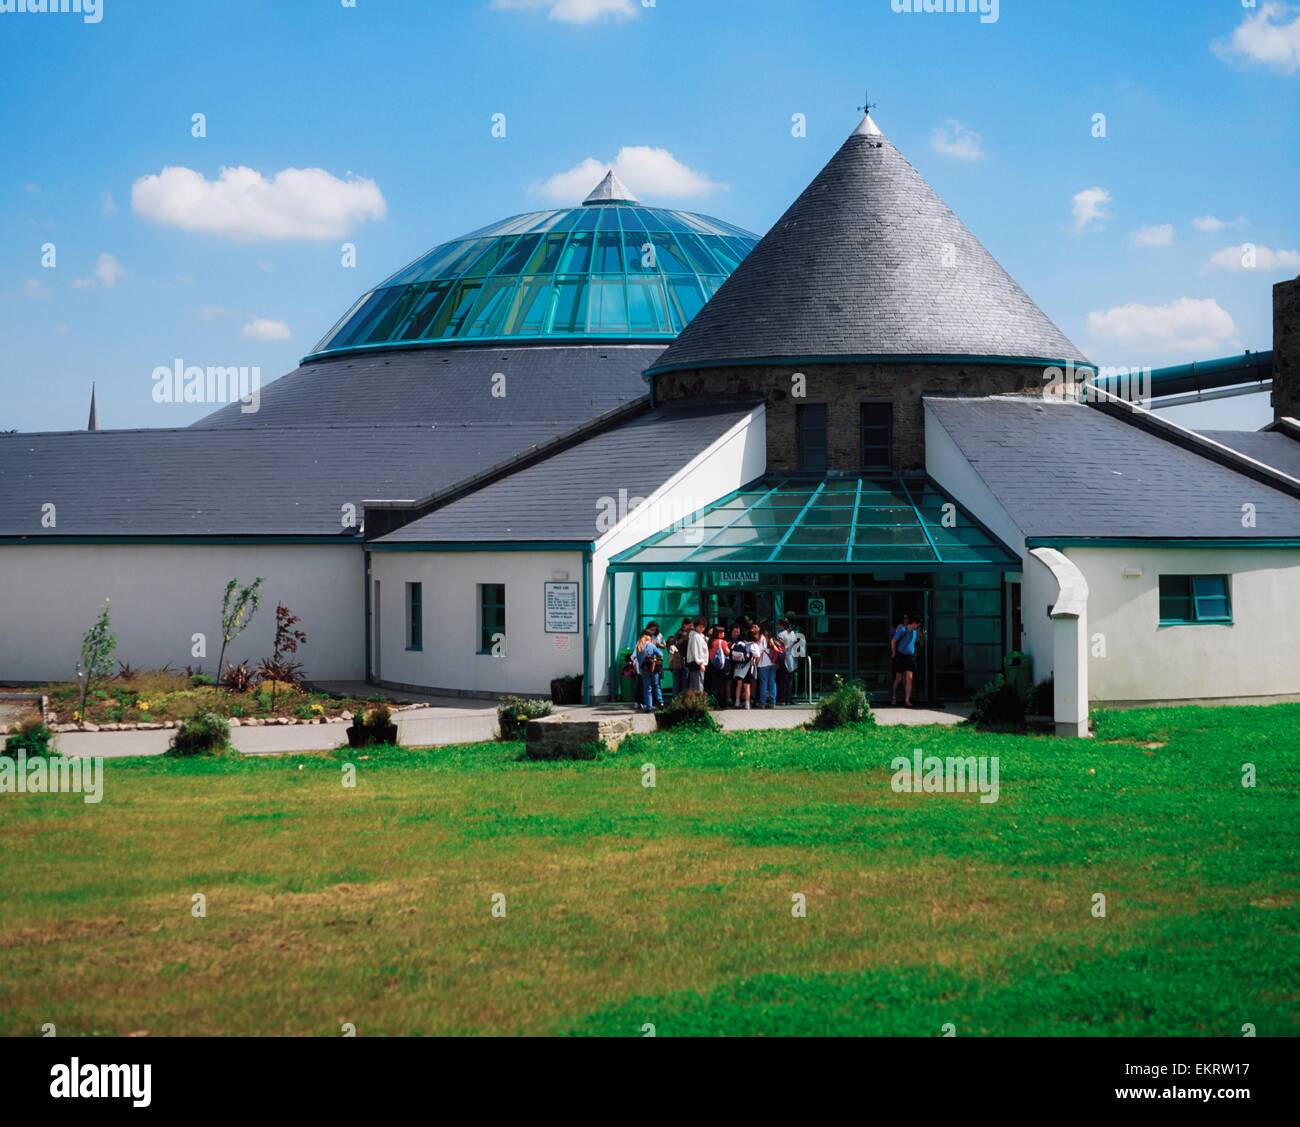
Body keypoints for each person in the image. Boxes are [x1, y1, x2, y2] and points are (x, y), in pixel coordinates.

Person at [890, 613, 923, 708]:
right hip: (901, 656)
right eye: (918, 625)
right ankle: (894, 697)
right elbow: (893, 641)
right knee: (898, 679)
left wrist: (922, 638)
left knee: (910, 678)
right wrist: (893, 652)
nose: (918, 627)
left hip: (910, 657)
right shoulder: (903, 629)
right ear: (914, 623)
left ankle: (907, 700)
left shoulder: (915, 632)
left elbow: (916, 643)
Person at [776, 618, 806, 705]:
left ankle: (782, 699)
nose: (778, 626)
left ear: (782, 625)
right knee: (790, 680)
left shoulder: (781, 634)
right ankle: (789, 699)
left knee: (783, 680)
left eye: (779, 624)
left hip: (784, 659)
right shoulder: (792, 633)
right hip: (793, 659)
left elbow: (780, 648)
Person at [635, 629, 664, 712]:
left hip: (644, 669)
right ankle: (660, 702)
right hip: (654, 668)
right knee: (656, 685)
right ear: (650, 638)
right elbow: (661, 654)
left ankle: (649, 707)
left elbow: (638, 659)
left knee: (647, 688)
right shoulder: (651, 645)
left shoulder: (639, 646)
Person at [730, 626, 756, 709]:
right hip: (747, 667)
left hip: (738, 667)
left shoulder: (738, 643)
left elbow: (731, 652)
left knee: (739, 685)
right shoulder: (751, 644)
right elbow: (756, 655)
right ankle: (747, 704)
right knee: (747, 686)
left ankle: (737, 702)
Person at [755, 623, 778, 709]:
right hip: (773, 662)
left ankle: (763, 702)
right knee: (772, 682)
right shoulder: (773, 638)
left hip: (763, 663)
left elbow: (759, 650)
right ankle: (773, 702)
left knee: (763, 682)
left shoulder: (762, 638)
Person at [706, 625, 730, 704]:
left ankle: (713, 702)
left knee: (713, 685)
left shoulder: (710, 641)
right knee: (721, 684)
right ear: (718, 633)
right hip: (720, 666)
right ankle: (721, 702)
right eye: (722, 632)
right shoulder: (722, 642)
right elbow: (727, 653)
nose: (723, 633)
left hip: (711, 665)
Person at [686, 618, 709, 693]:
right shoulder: (696, 636)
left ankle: (694, 702)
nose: (702, 628)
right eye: (700, 626)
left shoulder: (698, 636)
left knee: (695, 685)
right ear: (696, 626)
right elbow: (696, 650)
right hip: (697, 664)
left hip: (695, 663)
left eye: (703, 627)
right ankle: (698, 703)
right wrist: (700, 663)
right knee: (698, 685)